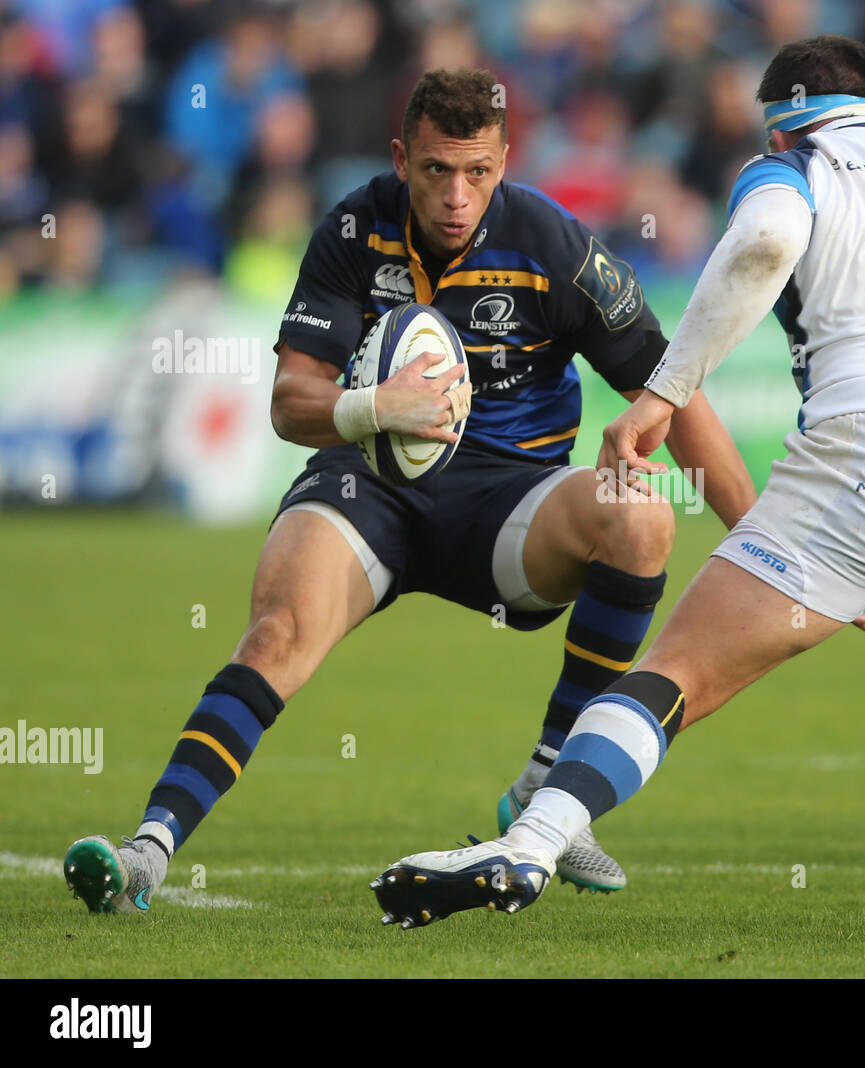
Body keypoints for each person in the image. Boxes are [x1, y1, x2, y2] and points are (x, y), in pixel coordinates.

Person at [366, 35, 865, 941]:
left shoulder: (797, 164)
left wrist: (665, 395)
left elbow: (765, 241)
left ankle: (536, 839)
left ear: (784, 121)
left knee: (672, 678)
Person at [62, 67, 756, 914]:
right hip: (369, 482)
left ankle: (546, 791)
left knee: (640, 515)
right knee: (278, 634)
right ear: (402, 158)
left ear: (504, 162)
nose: (457, 195)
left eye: (477, 172)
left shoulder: (553, 245)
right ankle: (147, 853)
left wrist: (762, 539)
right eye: (435, 170)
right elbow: (290, 402)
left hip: (510, 505)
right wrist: (375, 407)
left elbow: (673, 392)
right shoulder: (354, 229)